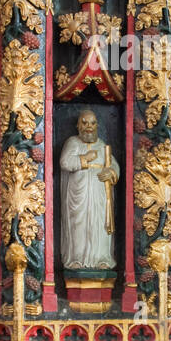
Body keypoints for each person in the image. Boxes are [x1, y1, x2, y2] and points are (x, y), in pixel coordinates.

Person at [59, 110, 119, 269]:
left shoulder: (102, 146)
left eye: (92, 123)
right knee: (79, 227)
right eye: (84, 123)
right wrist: (85, 159)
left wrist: (111, 172)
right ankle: (76, 259)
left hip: (100, 197)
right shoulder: (72, 142)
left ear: (97, 125)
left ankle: (102, 259)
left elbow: (114, 165)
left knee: (100, 226)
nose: (88, 127)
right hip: (78, 197)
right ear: (78, 125)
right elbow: (65, 162)